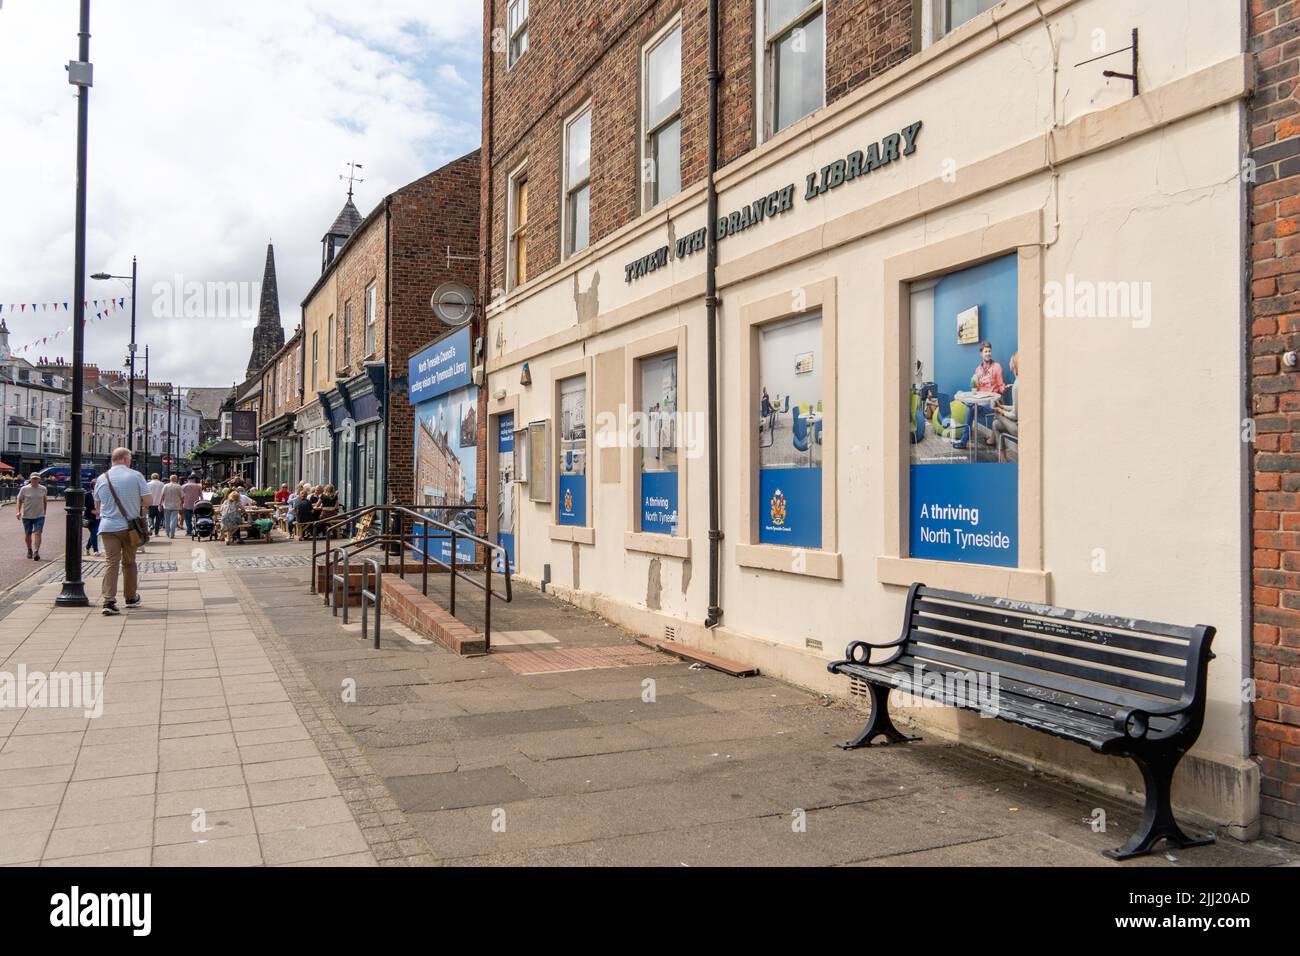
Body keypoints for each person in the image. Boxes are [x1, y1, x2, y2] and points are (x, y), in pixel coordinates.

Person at [94, 447, 152, 616]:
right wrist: (136, 503)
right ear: (127, 459)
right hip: (129, 528)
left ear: (113, 459)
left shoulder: (101, 478)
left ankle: (109, 601)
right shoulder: (135, 475)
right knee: (129, 562)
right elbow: (149, 500)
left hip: (107, 527)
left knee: (111, 562)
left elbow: (97, 507)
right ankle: (130, 597)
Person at [988, 352, 1019, 462]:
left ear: (1015, 364)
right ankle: (1003, 458)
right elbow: (1017, 408)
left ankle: (1002, 459)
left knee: (996, 414)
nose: (1009, 363)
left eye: (1011, 361)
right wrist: (1002, 406)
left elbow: (1015, 415)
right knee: (995, 424)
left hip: (1018, 429)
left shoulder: (1016, 385)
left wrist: (1000, 410)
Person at [16, 473, 48, 561]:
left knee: (38, 533)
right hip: (27, 515)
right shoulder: (24, 489)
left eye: (36, 479)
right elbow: (19, 500)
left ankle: (36, 551)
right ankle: (29, 549)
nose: (35, 480)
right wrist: (18, 511)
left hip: (39, 515)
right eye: (33, 479)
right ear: (30, 479)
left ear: (39, 480)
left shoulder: (43, 489)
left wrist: (44, 511)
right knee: (28, 534)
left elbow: (45, 500)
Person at [161, 473, 184, 538]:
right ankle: (172, 534)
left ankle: (167, 532)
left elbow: (162, 495)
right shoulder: (178, 486)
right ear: (176, 479)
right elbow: (182, 497)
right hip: (176, 505)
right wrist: (181, 504)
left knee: (167, 519)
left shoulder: (165, 486)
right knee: (173, 520)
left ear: (170, 479)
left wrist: (160, 504)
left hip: (166, 505)